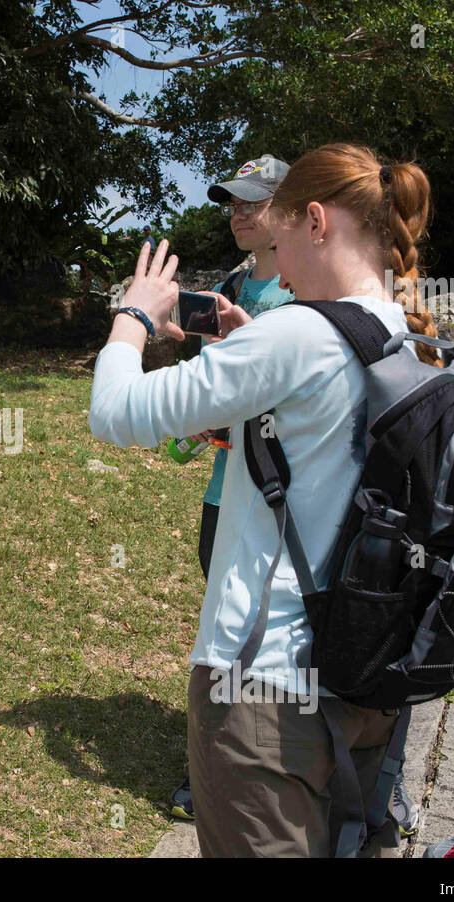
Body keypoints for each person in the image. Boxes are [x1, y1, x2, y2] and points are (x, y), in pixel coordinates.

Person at [90, 142, 440, 856]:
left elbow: (115, 410)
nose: (275, 264)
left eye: (278, 243)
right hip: (366, 682)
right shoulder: (410, 336)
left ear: (315, 221)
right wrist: (252, 351)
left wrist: (133, 313)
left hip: (263, 695)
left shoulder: (296, 333)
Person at [168, 155, 295, 822]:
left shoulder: (304, 296)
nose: (239, 213)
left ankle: (233, 774)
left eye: (254, 201)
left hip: (278, 499)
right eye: (232, 202)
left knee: (257, 634)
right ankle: (223, 765)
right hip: (224, 492)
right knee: (225, 629)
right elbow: (211, 383)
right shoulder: (230, 286)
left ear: (292, 207)